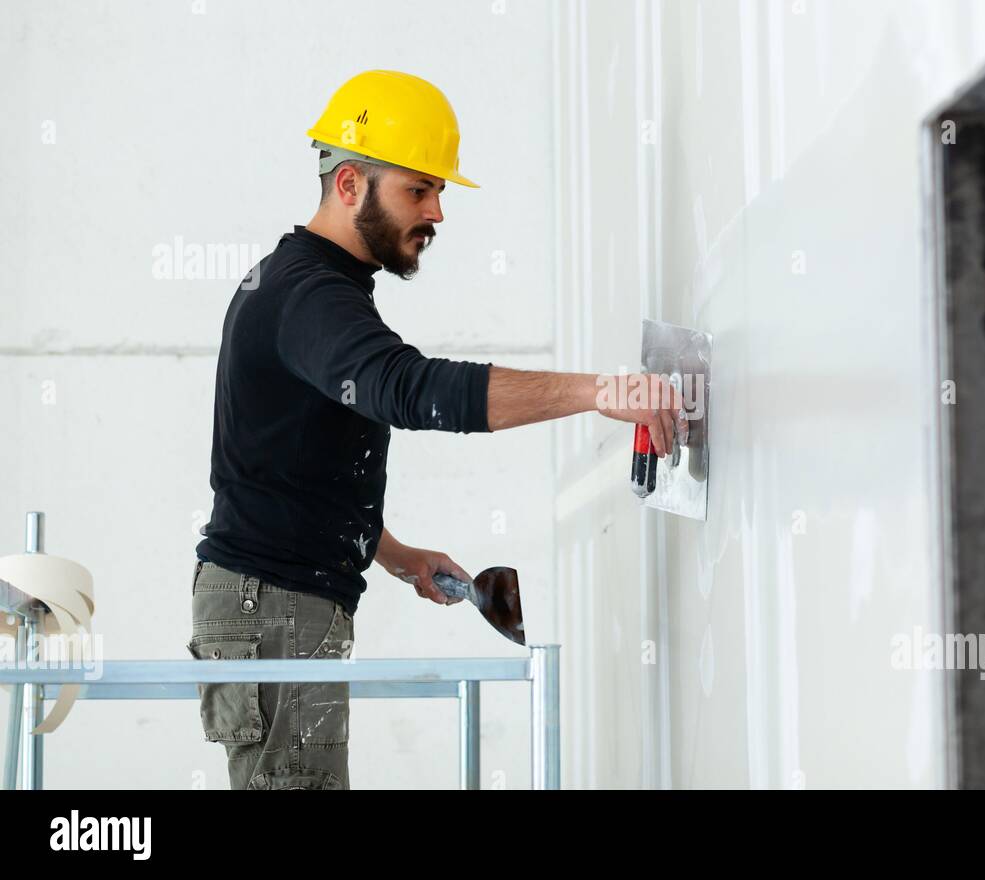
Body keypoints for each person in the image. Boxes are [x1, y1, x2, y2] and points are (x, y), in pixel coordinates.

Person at [187, 70, 683, 790]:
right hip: (274, 604)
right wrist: (602, 392)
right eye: (419, 189)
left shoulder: (305, 286)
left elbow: (276, 462)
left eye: (439, 191)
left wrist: (392, 553)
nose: (438, 212)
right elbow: (409, 389)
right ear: (351, 183)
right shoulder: (310, 296)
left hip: (274, 597)